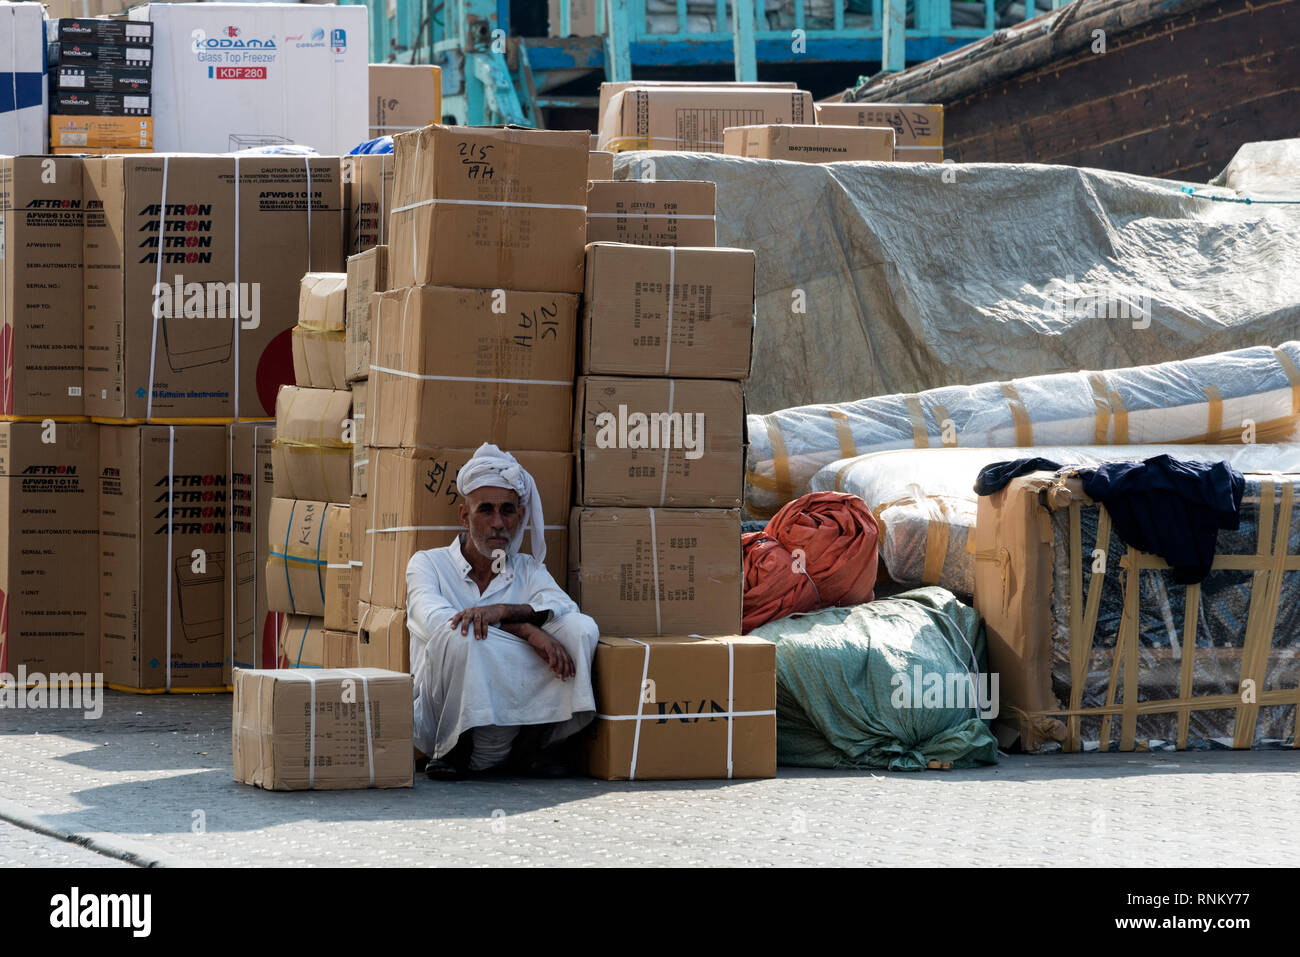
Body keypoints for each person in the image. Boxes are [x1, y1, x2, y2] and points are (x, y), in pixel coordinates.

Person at [405, 443, 599, 779]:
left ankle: (531, 749)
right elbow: (439, 622)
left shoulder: (526, 569)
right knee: (461, 635)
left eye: (507, 511)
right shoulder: (428, 564)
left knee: (580, 628)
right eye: (486, 511)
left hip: (515, 732)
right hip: (444, 727)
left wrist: (503, 611)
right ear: (465, 516)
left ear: (520, 517)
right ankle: (454, 750)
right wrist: (526, 631)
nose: (498, 523)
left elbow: (562, 607)